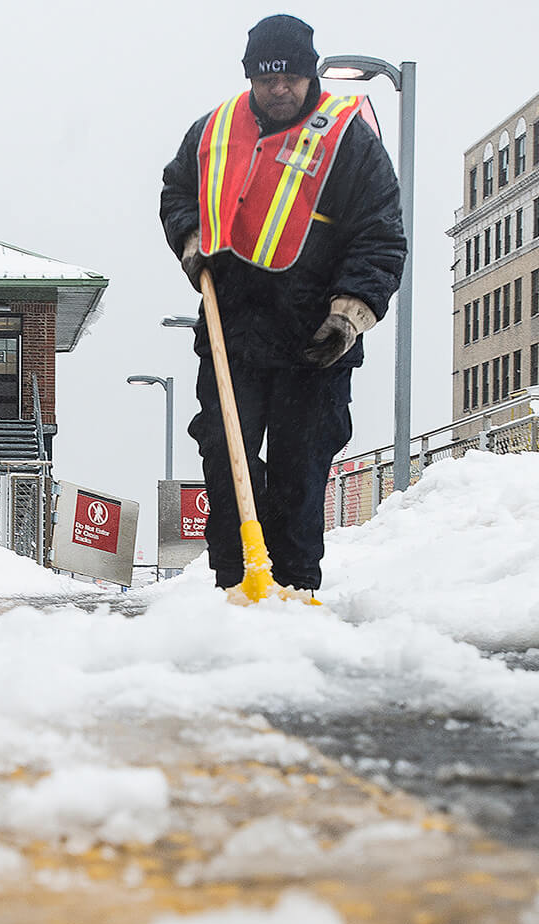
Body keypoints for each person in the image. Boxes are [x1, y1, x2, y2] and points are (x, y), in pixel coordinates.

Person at [158, 13, 406, 595]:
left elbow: (380, 235)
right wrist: (191, 240)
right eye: (267, 79)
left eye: (290, 77)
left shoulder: (347, 139)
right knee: (224, 458)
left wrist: (350, 314)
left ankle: (294, 584)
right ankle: (234, 583)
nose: (279, 89)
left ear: (308, 74)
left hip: (313, 339)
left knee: (300, 469)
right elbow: (177, 192)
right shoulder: (212, 131)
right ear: (250, 78)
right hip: (234, 331)